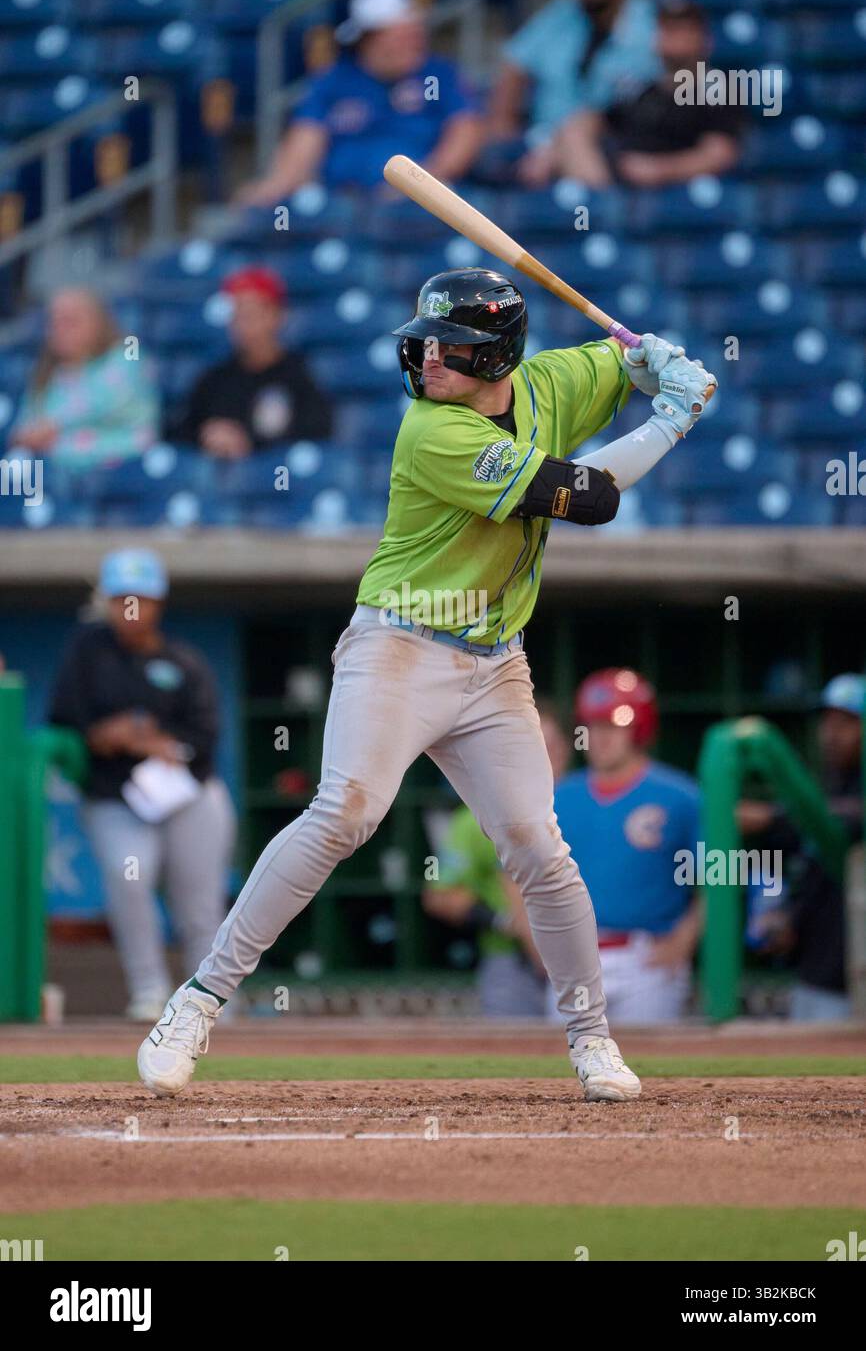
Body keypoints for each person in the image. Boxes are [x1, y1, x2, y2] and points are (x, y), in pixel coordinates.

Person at [137, 266, 716, 1102]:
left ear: (502, 357)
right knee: (346, 810)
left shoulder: (553, 380)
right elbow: (586, 497)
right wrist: (674, 416)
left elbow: (615, 365)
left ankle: (592, 1037)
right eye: (430, 342)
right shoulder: (432, 432)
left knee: (540, 850)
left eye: (457, 348)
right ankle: (197, 1001)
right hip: (399, 645)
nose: (433, 358)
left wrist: (650, 359)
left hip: (494, 662)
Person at [49, 549, 236, 1021]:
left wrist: (157, 742)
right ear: (107, 602)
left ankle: (207, 998)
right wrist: (107, 735)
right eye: (121, 599)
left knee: (199, 901)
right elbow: (64, 720)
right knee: (130, 882)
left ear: (159, 603)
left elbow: (204, 740)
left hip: (186, 794)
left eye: (141, 599)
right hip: (115, 797)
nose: (131, 609)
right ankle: (151, 991)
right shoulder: (87, 652)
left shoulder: (183, 661)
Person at [238, 0, 483, 204]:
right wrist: (275, 186)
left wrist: (422, 186)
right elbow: (305, 142)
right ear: (367, 39)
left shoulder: (440, 75)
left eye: (416, 34)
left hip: (423, 202)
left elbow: (463, 134)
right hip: (342, 201)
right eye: (402, 36)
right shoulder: (333, 81)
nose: (414, 43)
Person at [552, 669, 702, 1024]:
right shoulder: (558, 798)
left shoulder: (680, 795)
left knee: (648, 1071)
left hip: (646, 959)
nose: (601, 737)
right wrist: (537, 948)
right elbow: (515, 878)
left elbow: (723, 877)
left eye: (615, 725)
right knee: (564, 1072)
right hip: (572, 960)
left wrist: (684, 939)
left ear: (639, 729)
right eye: (593, 725)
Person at [424, 704, 572, 1017]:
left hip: (589, 955)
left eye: (552, 747)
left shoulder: (586, 806)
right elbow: (439, 895)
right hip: (511, 962)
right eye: (534, 747)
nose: (544, 758)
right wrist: (504, 921)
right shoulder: (476, 816)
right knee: (516, 1055)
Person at [738, 674, 864, 1022]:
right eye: (828, 722)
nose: (833, 733)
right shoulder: (825, 784)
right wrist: (782, 915)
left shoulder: (834, 799)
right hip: (814, 972)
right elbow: (791, 864)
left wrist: (771, 817)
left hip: (851, 979)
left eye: (849, 722)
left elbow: (849, 818)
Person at [485, 0, 658, 186]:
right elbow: (515, 64)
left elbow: (639, 102)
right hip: (540, 140)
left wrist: (558, 147)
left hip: (616, 142)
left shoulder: (649, 26)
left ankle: (604, 214)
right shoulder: (560, 16)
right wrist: (503, 124)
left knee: (576, 138)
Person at [559, 0, 744, 189]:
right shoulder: (643, 89)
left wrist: (658, 169)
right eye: (667, 29)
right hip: (620, 181)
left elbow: (719, 154)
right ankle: (605, 208)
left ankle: (606, 211)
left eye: (683, 30)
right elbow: (600, 120)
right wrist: (553, 150)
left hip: (677, 194)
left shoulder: (718, 88)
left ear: (705, 39)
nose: (674, 38)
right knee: (572, 132)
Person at [171, 266, 332, 458]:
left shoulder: (299, 375)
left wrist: (248, 442)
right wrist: (206, 436)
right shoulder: (215, 379)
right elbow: (181, 433)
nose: (243, 325)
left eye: (252, 314)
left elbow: (315, 435)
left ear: (276, 316)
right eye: (237, 315)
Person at [10, 288, 158, 470]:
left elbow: (115, 402)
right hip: (55, 473)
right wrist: (24, 436)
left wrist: (54, 427)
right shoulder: (47, 372)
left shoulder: (127, 354)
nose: (60, 330)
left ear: (98, 323)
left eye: (70, 322)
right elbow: (27, 423)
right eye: (53, 322)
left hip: (121, 468)